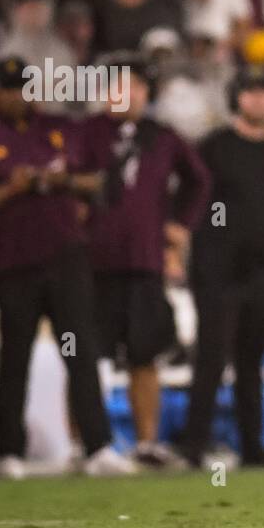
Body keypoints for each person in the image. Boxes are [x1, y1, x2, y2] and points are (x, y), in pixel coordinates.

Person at [0, 56, 136, 478]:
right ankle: (9, 451)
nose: (19, 96)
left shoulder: (62, 128)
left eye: (24, 86)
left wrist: (59, 182)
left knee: (80, 351)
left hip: (66, 256)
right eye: (10, 87)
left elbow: (99, 182)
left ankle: (97, 446)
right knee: (15, 355)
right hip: (14, 258)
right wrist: (11, 189)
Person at [80, 58, 210, 467]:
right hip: (90, 260)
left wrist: (180, 225)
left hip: (144, 260)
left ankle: (146, 442)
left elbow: (200, 180)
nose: (128, 94)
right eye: (119, 86)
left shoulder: (163, 136)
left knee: (145, 353)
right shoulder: (84, 133)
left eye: (135, 87)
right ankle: (89, 445)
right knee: (87, 358)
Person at [178, 66, 264, 468]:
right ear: (238, 98)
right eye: (253, 92)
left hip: (262, 272)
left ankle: (252, 447)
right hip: (218, 270)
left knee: (253, 361)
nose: (262, 100)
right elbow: (189, 199)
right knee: (212, 357)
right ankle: (194, 446)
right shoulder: (214, 146)